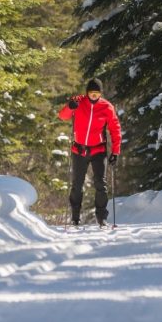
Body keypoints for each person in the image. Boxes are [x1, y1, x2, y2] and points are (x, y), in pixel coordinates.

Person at [58, 77, 121, 226]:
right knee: (77, 185)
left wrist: (115, 152)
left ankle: (101, 217)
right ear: (87, 93)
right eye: (91, 93)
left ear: (100, 94)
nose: (94, 96)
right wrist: (70, 106)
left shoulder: (107, 107)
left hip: (98, 150)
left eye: (97, 94)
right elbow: (63, 116)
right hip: (79, 149)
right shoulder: (79, 102)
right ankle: (75, 217)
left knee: (101, 184)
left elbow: (115, 129)